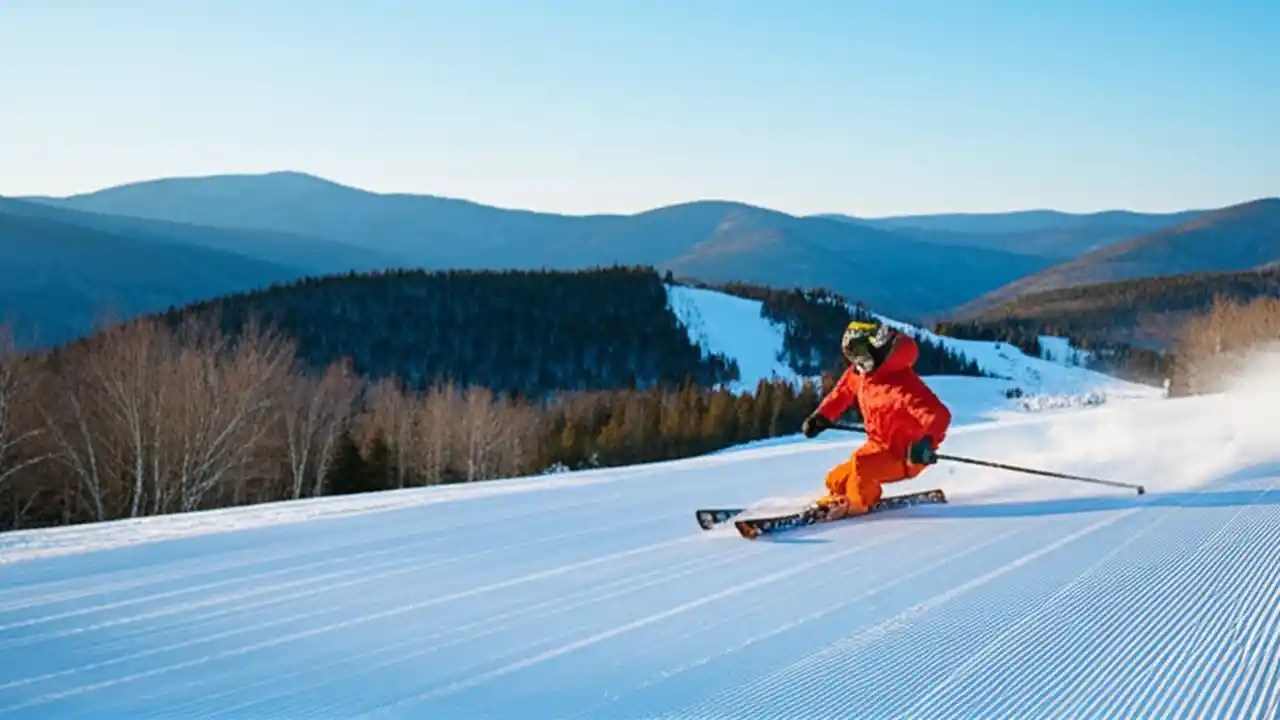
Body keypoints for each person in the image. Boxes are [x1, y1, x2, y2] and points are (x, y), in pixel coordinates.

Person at [800, 319, 952, 520]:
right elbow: (843, 392)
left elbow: (938, 414)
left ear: (878, 348)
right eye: (852, 357)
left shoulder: (900, 383)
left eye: (861, 355)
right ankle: (841, 499)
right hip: (877, 446)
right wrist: (821, 416)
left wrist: (926, 443)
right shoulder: (862, 373)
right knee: (835, 480)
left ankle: (857, 505)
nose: (857, 363)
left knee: (862, 467)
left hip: (906, 455)